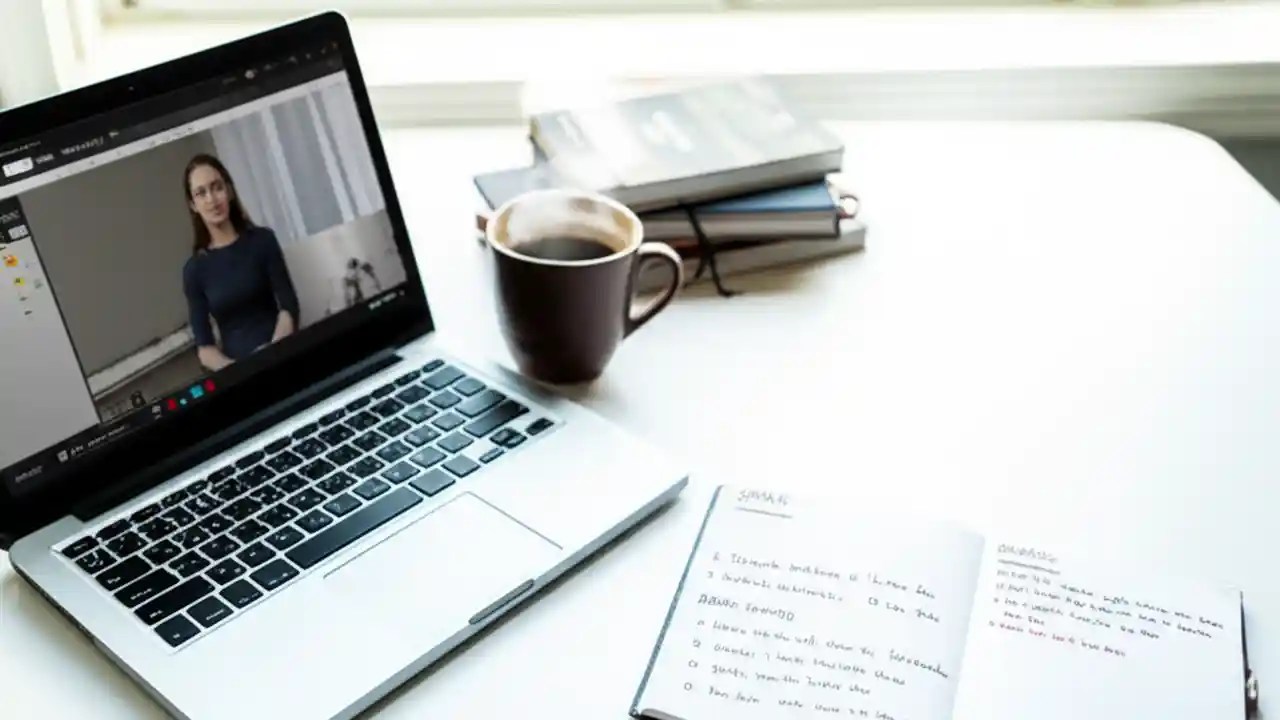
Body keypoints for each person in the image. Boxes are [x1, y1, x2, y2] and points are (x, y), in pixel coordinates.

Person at [181, 154, 300, 372]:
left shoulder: (263, 240)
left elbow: (288, 306)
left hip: (283, 356)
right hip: (238, 373)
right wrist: (239, 370)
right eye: (201, 193)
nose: (211, 199)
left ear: (229, 191)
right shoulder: (194, 270)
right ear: (193, 205)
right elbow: (205, 349)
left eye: (217, 187)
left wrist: (271, 353)